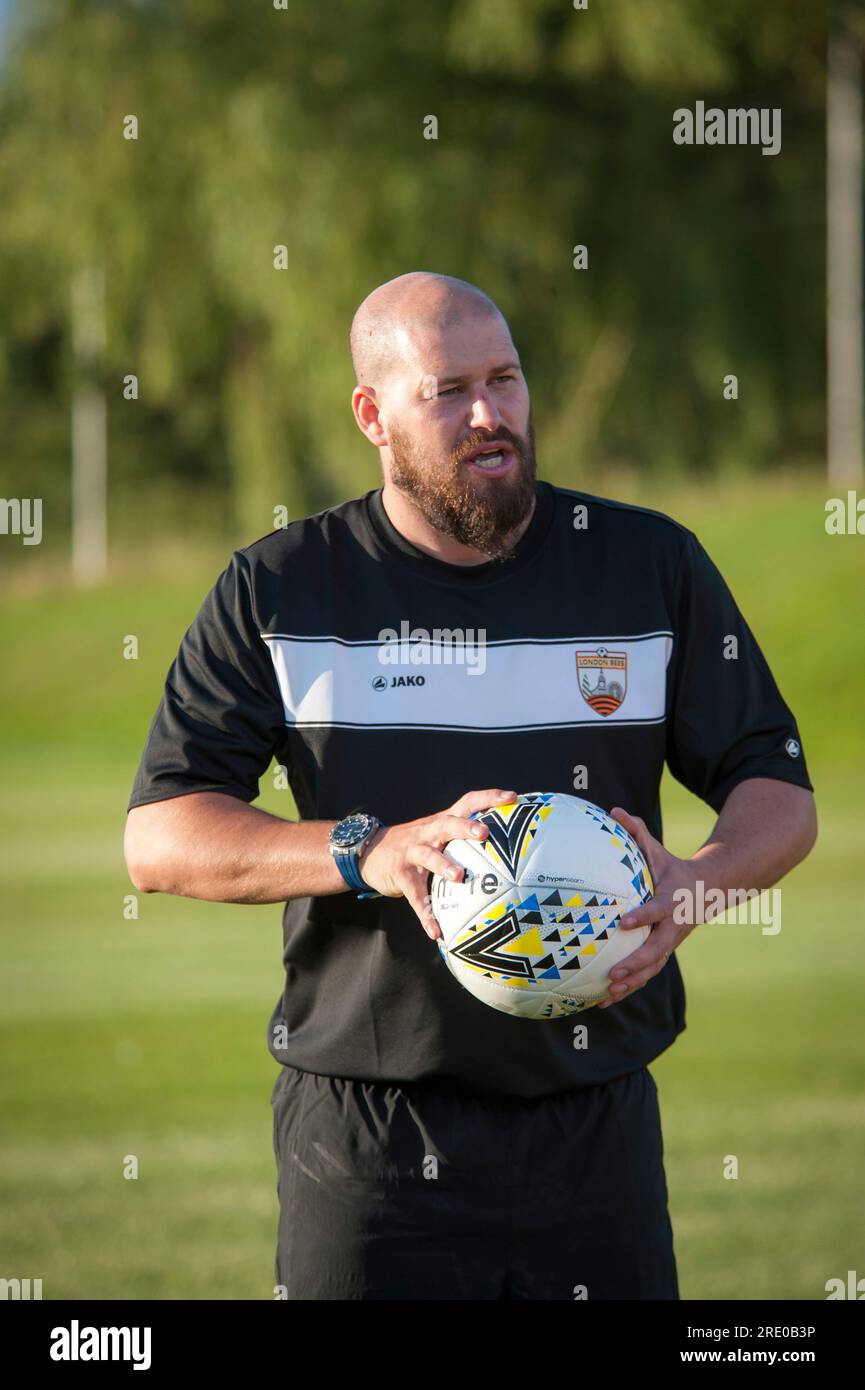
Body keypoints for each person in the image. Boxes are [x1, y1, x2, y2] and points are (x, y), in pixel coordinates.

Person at [124, 271, 817, 1300]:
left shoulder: (645, 565)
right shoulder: (280, 588)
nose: (490, 414)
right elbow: (163, 837)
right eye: (448, 390)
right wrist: (370, 847)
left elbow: (778, 788)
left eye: (506, 378)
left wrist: (697, 879)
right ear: (372, 414)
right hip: (368, 1146)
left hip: (598, 1129)